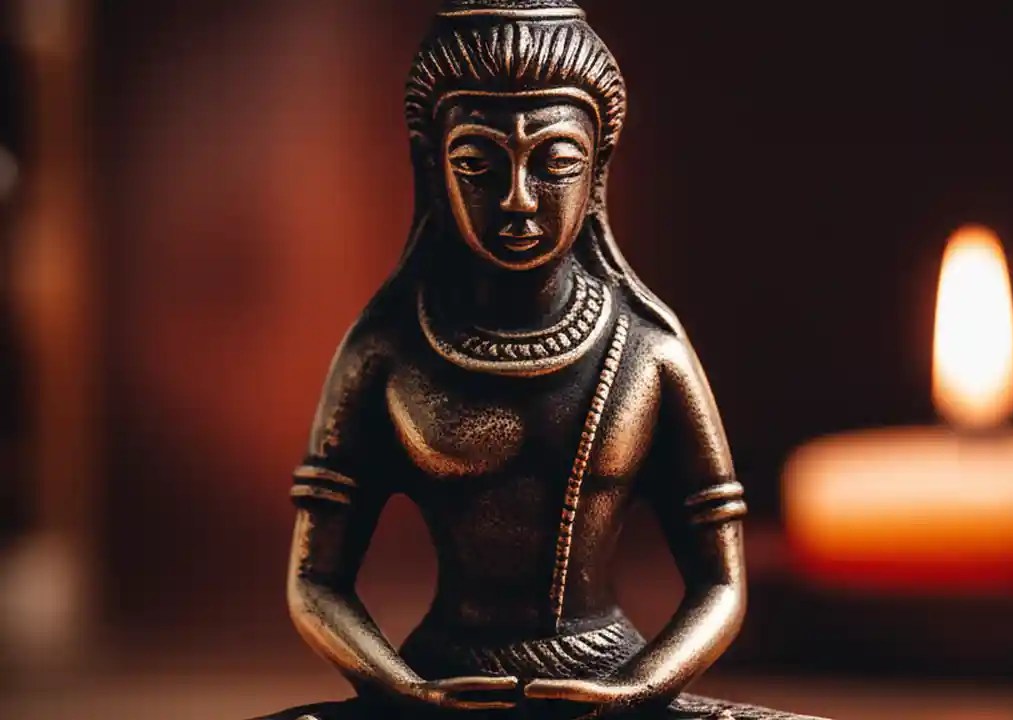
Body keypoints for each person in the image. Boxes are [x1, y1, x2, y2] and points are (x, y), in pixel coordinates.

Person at [258, 2, 819, 718]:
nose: (518, 200)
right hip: (444, 687)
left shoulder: (648, 348)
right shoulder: (391, 347)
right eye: (478, 166)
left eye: (555, 163)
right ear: (435, 172)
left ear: (598, 172)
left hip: (609, 682)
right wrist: (404, 688)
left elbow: (720, 582)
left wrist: (640, 688)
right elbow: (316, 582)